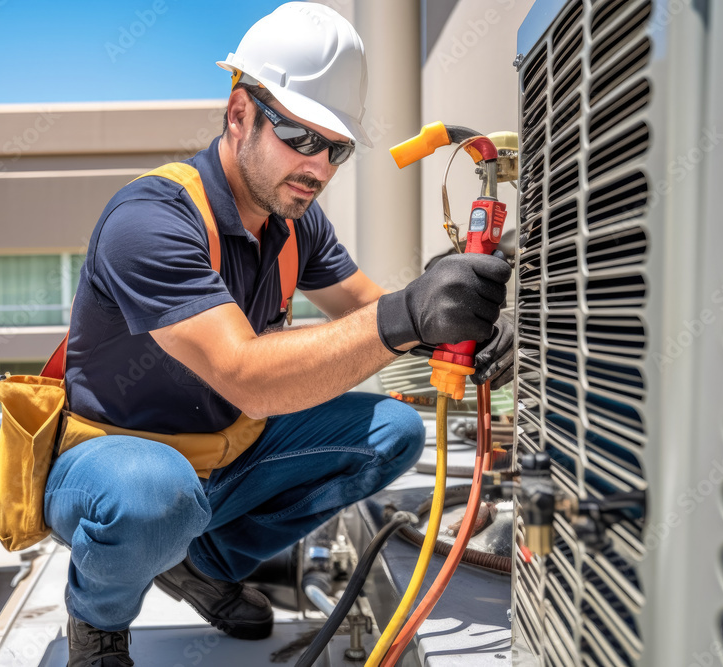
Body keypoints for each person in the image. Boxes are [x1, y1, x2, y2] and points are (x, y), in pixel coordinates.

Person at [47, 3, 513, 665]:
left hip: (224, 453)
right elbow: (247, 375)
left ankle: (205, 566)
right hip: (112, 462)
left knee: (392, 432)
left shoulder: (296, 219)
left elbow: (366, 308)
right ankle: (96, 623)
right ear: (239, 114)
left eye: (337, 148)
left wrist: (448, 329)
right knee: (156, 495)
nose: (319, 166)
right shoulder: (150, 219)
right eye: (300, 135)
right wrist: (407, 315)